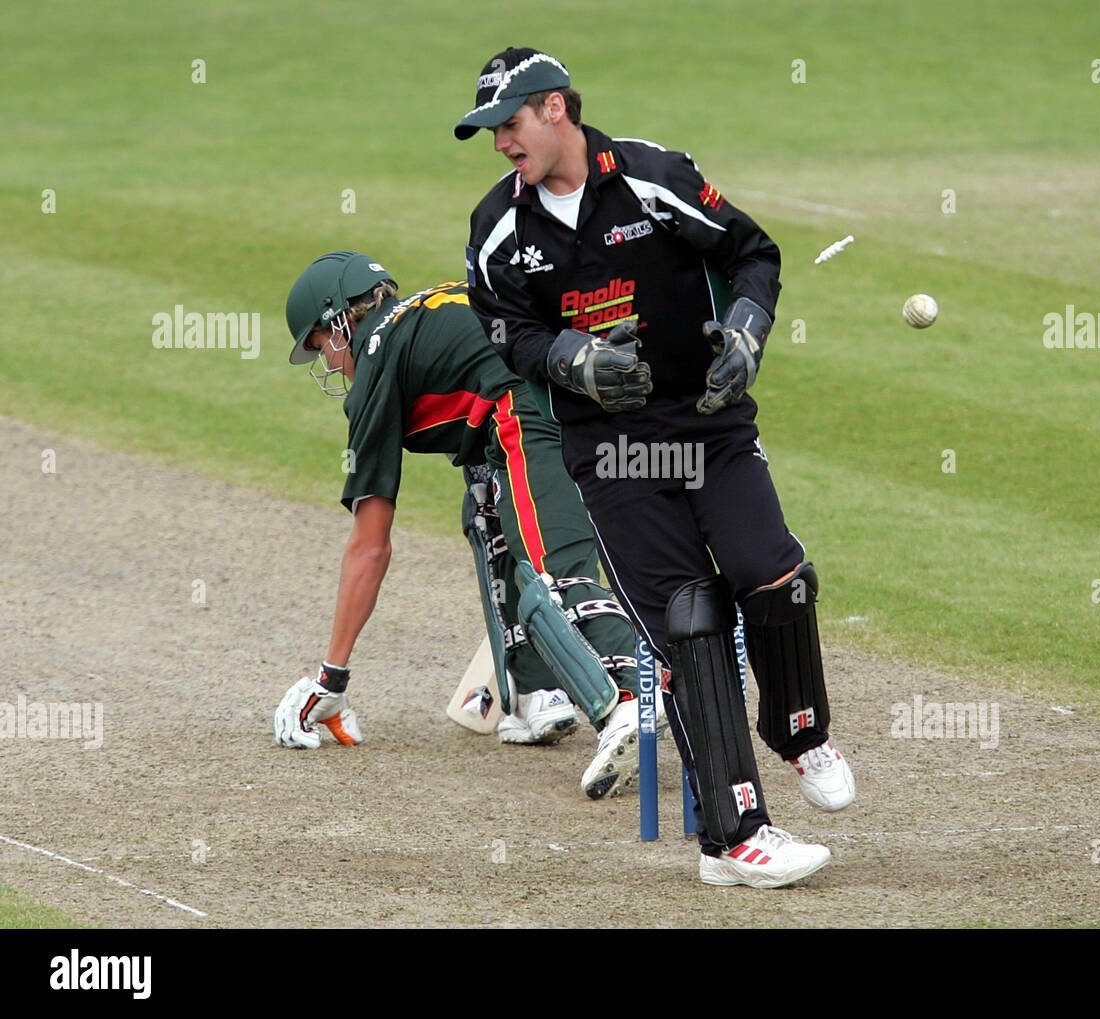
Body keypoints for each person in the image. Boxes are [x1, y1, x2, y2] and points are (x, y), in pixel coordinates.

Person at [457, 48, 855, 889]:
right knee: (690, 620)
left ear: (556, 107)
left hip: (708, 423)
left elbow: (754, 252)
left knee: (775, 577)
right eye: (491, 131)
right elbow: (502, 331)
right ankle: (734, 838)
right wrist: (572, 359)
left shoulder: (650, 177)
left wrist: (746, 330)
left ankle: (797, 725)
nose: (500, 144)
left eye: (510, 123)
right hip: (612, 454)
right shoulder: (499, 230)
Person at [273, 250, 656, 800]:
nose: (329, 364)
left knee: (556, 568)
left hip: (536, 409)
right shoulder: (426, 314)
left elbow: (370, 546)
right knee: (485, 509)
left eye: (320, 347)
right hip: (593, 386)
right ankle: (536, 691)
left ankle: (627, 702)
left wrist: (331, 676)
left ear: (340, 322)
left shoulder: (377, 358)